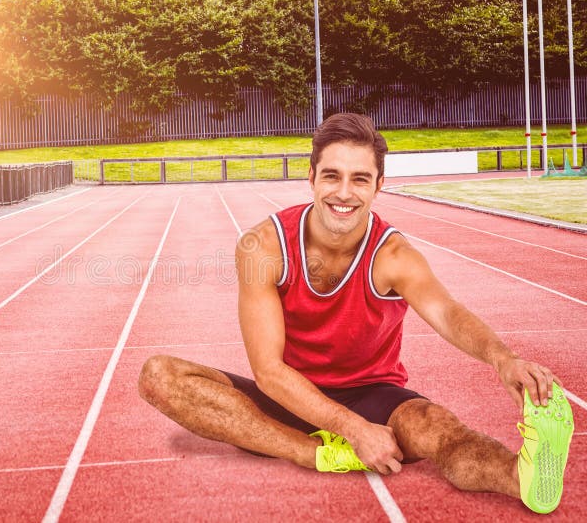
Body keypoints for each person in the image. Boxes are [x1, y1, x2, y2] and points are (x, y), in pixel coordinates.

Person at [137, 113, 574, 514]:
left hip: (372, 395)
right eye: (332, 176)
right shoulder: (263, 247)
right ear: (310, 177)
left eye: (359, 179)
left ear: (378, 185)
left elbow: (447, 312)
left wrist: (503, 359)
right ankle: (316, 453)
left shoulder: (394, 255)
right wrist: (348, 431)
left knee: (438, 428)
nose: (344, 193)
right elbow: (268, 371)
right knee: (159, 376)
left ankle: (520, 476)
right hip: (289, 393)